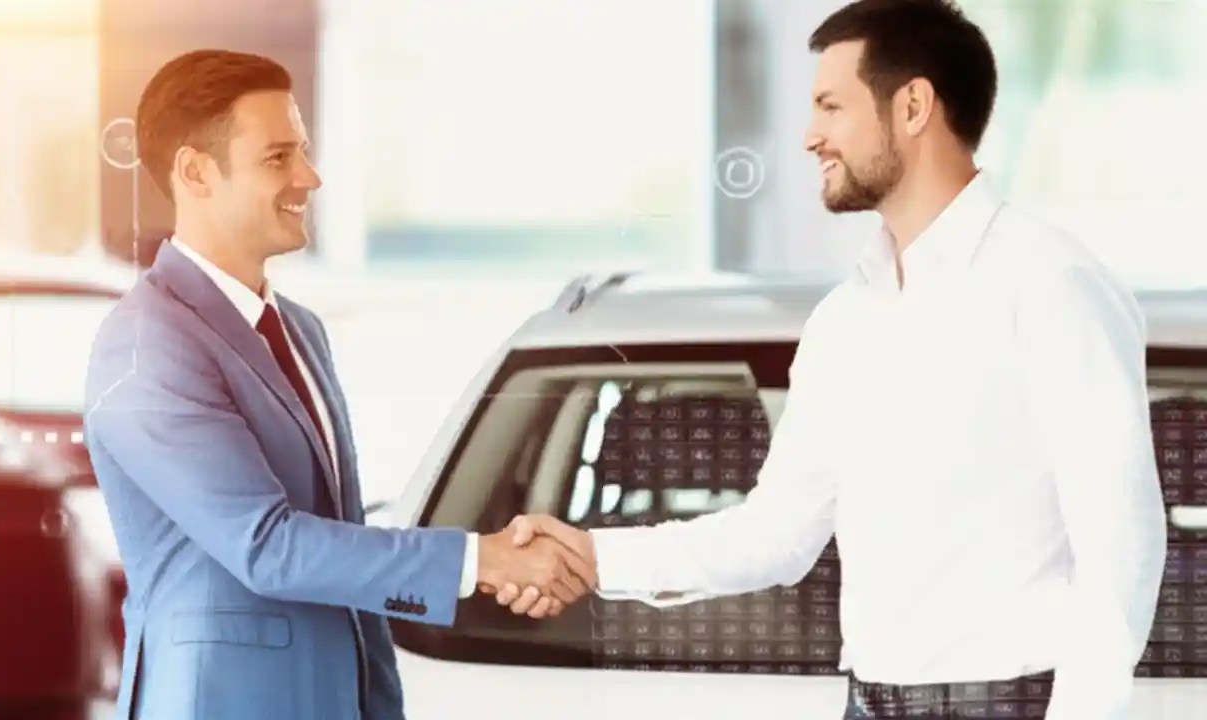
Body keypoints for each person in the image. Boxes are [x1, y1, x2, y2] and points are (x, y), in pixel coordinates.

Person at [496, 1, 1167, 718]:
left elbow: (1120, 545)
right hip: (867, 703)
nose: (811, 136)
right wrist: (591, 556)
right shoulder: (847, 319)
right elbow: (777, 534)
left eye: (831, 106)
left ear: (913, 106)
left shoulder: (1051, 283)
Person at [82, 49, 592, 720]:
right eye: (278, 158)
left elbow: (337, 540)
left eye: (304, 152)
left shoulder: (299, 329)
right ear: (196, 172)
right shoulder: (148, 344)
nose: (309, 177)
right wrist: (480, 563)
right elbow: (268, 546)